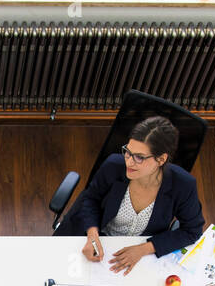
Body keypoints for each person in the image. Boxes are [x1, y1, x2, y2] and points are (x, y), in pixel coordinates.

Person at [58, 116, 205, 275]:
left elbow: (193, 230)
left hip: (142, 249)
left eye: (139, 157)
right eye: (128, 152)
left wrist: (144, 249)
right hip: (100, 239)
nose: (129, 162)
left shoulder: (183, 185)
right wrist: (92, 234)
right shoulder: (113, 166)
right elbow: (90, 199)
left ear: (161, 159)